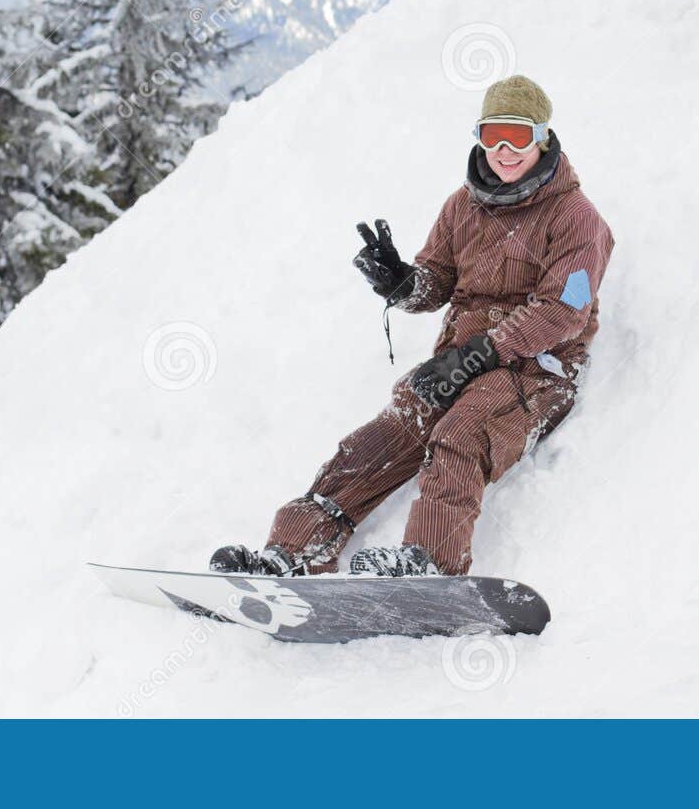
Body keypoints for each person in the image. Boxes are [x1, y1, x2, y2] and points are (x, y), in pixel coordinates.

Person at [211, 75, 616, 578]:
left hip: (538, 370)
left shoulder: (577, 217)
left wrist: (483, 353)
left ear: (542, 137)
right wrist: (402, 284)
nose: (505, 150)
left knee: (462, 431)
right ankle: (294, 553)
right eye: (493, 137)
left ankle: (428, 563)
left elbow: (563, 311)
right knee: (381, 437)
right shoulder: (462, 207)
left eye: (518, 136)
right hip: (461, 362)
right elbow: (437, 282)